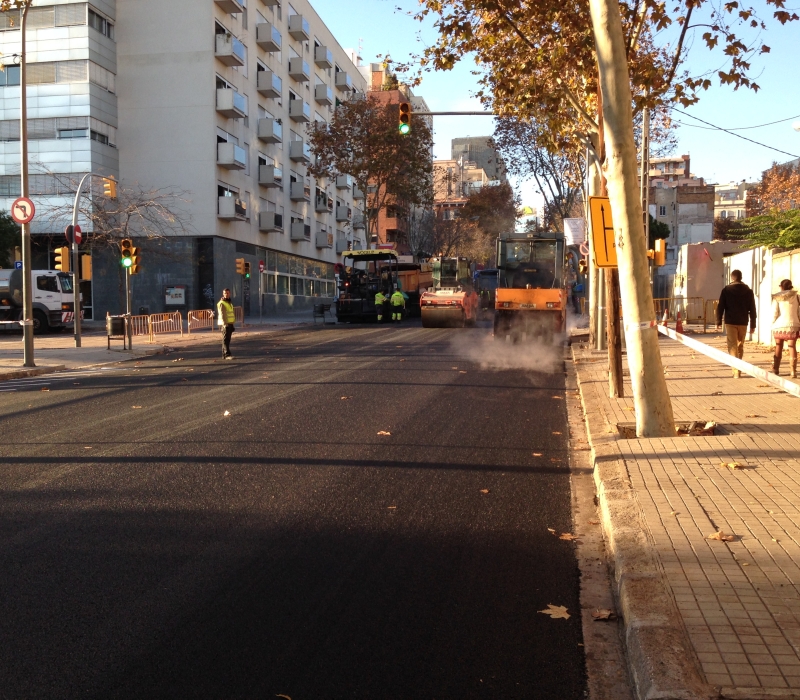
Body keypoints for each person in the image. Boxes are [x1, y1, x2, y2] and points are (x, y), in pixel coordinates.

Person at [716, 269, 757, 378]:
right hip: (743, 322)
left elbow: (721, 306)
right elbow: (752, 308)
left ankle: (736, 370)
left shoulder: (726, 290)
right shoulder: (748, 291)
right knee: (740, 344)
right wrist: (753, 324)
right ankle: (739, 367)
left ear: (732, 277)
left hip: (730, 321)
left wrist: (718, 321)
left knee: (732, 344)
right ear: (741, 277)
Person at [771, 279, 800, 377]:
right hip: (793, 325)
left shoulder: (777, 297)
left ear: (781, 287)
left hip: (780, 325)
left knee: (779, 345)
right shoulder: (797, 297)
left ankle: (776, 369)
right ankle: (793, 371)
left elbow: (774, 313)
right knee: (792, 347)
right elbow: (798, 312)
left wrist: (772, 323)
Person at [217, 288, 236, 359]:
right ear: (223, 294)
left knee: (227, 339)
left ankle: (224, 355)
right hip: (225, 324)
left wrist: (232, 324)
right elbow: (222, 315)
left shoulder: (229, 302)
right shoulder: (222, 303)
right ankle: (227, 354)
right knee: (225, 340)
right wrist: (225, 324)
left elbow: (231, 313)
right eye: (225, 293)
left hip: (230, 323)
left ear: (230, 293)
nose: (226, 294)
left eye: (227, 293)